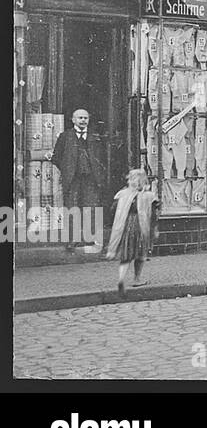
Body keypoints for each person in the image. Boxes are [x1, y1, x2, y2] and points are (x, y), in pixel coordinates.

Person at [50, 108, 103, 247]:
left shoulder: (94, 136)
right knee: (72, 208)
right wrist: (67, 169)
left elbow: (101, 158)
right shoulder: (65, 136)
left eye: (85, 118)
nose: (83, 120)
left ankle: (89, 238)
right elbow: (56, 157)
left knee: (90, 207)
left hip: (90, 179)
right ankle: (73, 240)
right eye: (80, 118)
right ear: (73, 120)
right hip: (72, 179)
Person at [104, 169, 159, 296]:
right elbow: (154, 214)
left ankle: (121, 279)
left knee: (126, 254)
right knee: (140, 254)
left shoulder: (122, 194)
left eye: (131, 178)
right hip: (141, 226)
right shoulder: (148, 196)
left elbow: (112, 211)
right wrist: (154, 228)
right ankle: (137, 279)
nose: (129, 181)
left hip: (125, 226)